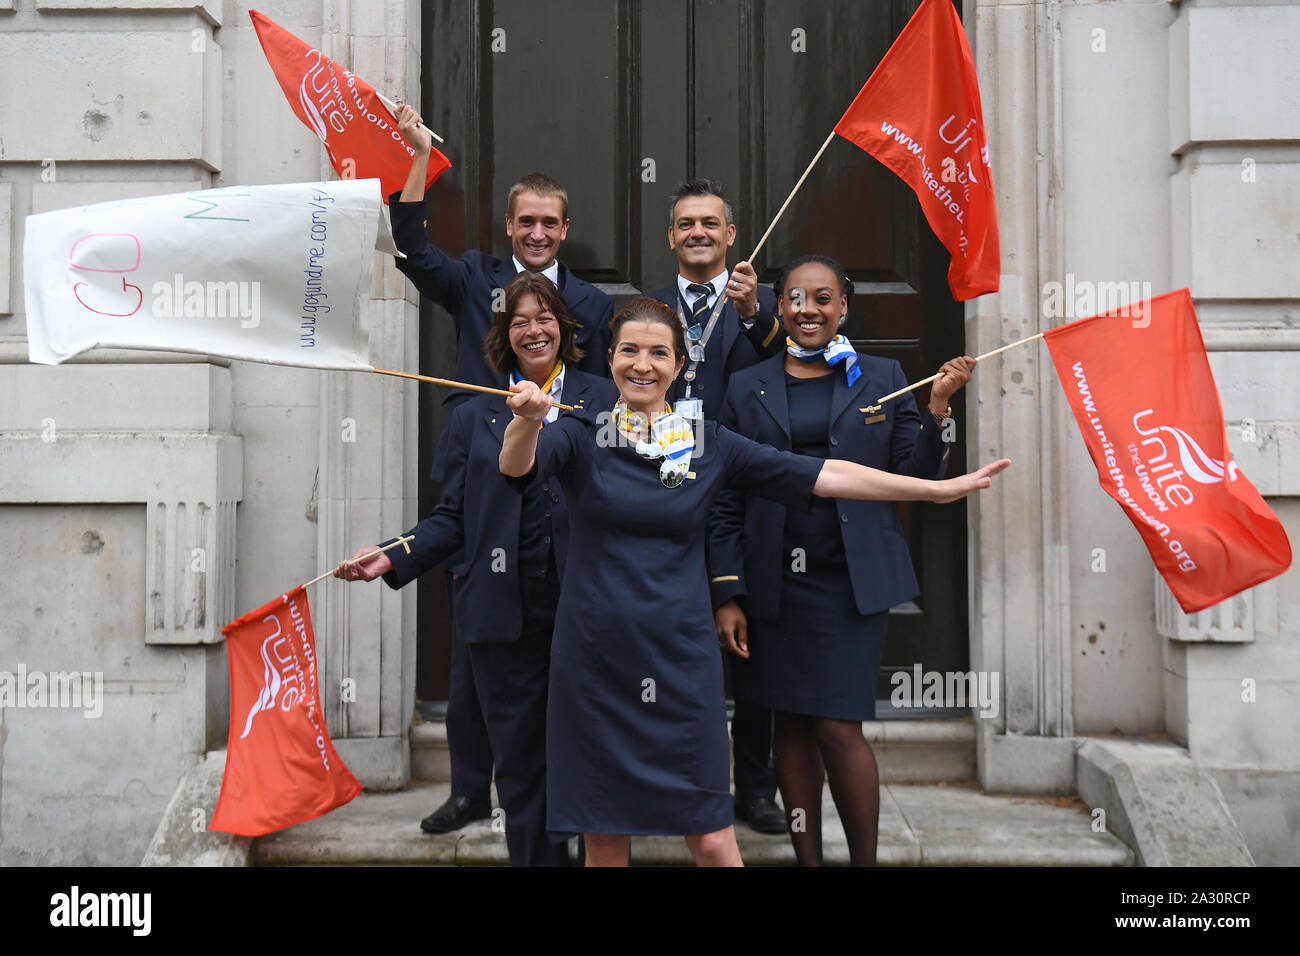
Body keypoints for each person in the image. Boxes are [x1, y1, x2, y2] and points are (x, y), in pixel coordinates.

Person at [499, 297, 1005, 866]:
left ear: (680, 361)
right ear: (610, 359)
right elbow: (517, 467)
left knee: (714, 839)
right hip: (596, 662)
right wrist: (527, 420)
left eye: (658, 353)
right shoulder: (577, 433)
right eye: (629, 351)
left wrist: (933, 490)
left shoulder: (709, 439)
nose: (642, 365)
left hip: (681, 659)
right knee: (605, 840)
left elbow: (824, 474)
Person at [334, 273, 617, 866]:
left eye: (544, 317)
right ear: (504, 337)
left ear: (565, 327)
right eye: (519, 321)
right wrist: (393, 552)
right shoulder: (473, 413)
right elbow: (452, 517)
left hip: (591, 616)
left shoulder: (607, 398)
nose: (533, 329)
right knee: (521, 772)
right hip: (503, 621)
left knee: (598, 762)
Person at [388, 104, 615, 834]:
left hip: (562, 483)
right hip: (479, 466)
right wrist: (418, 158)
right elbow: (414, 249)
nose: (538, 233)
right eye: (526, 222)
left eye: (551, 222)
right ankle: (467, 788)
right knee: (476, 638)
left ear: (565, 228)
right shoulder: (475, 277)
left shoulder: (590, 304)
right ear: (510, 226)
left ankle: (566, 796)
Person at [707, 254, 975, 866]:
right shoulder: (747, 385)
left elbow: (916, 474)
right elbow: (725, 495)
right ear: (780, 307)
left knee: (837, 725)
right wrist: (727, 590)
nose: (809, 310)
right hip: (773, 584)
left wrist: (937, 407)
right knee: (791, 727)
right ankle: (809, 861)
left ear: (843, 307)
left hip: (849, 585)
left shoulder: (884, 377)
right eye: (796, 299)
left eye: (823, 298)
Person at [647, 178, 786, 833]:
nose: (697, 232)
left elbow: (804, 361)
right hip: (665, 487)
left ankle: (755, 787)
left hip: (746, 491)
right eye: (685, 224)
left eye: (710, 223)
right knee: (669, 648)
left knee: (751, 648)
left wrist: (758, 313)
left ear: (732, 234)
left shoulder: (764, 304)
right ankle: (673, 782)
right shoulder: (646, 309)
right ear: (670, 236)